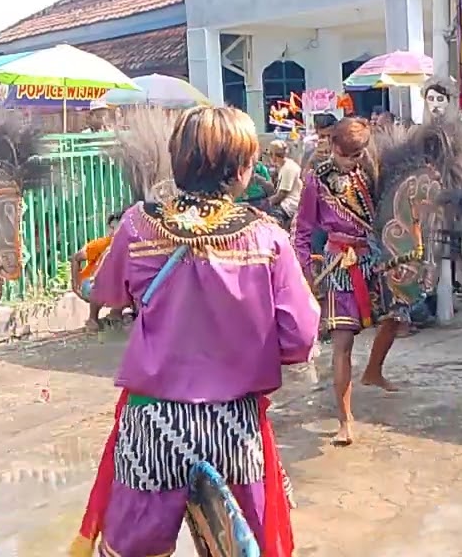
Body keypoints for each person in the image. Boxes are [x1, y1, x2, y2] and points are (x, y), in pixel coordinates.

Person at [71, 106, 319, 557]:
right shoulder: (267, 238)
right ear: (243, 170)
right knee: (238, 547)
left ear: (177, 161)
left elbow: (105, 292)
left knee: (133, 552)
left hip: (153, 421)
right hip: (234, 424)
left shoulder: (138, 225)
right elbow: (300, 337)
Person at [292, 116, 398, 446]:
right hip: (340, 263)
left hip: (373, 258)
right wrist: (305, 273)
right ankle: (345, 419)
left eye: (358, 154)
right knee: (342, 345)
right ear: (333, 146)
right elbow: (303, 231)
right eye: (348, 154)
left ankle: (374, 371)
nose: (353, 161)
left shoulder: (372, 172)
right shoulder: (316, 180)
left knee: (398, 316)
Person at [70, 210, 123, 332]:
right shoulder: (102, 244)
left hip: (112, 281)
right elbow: (76, 257)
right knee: (102, 282)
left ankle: (117, 312)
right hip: (92, 281)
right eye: (115, 228)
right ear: (111, 229)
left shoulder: (127, 244)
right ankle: (92, 319)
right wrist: (75, 285)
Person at [265, 140, 302, 224]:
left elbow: (281, 195)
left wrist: (265, 203)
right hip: (284, 204)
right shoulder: (283, 166)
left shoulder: (288, 168)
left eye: (270, 154)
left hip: (288, 205)